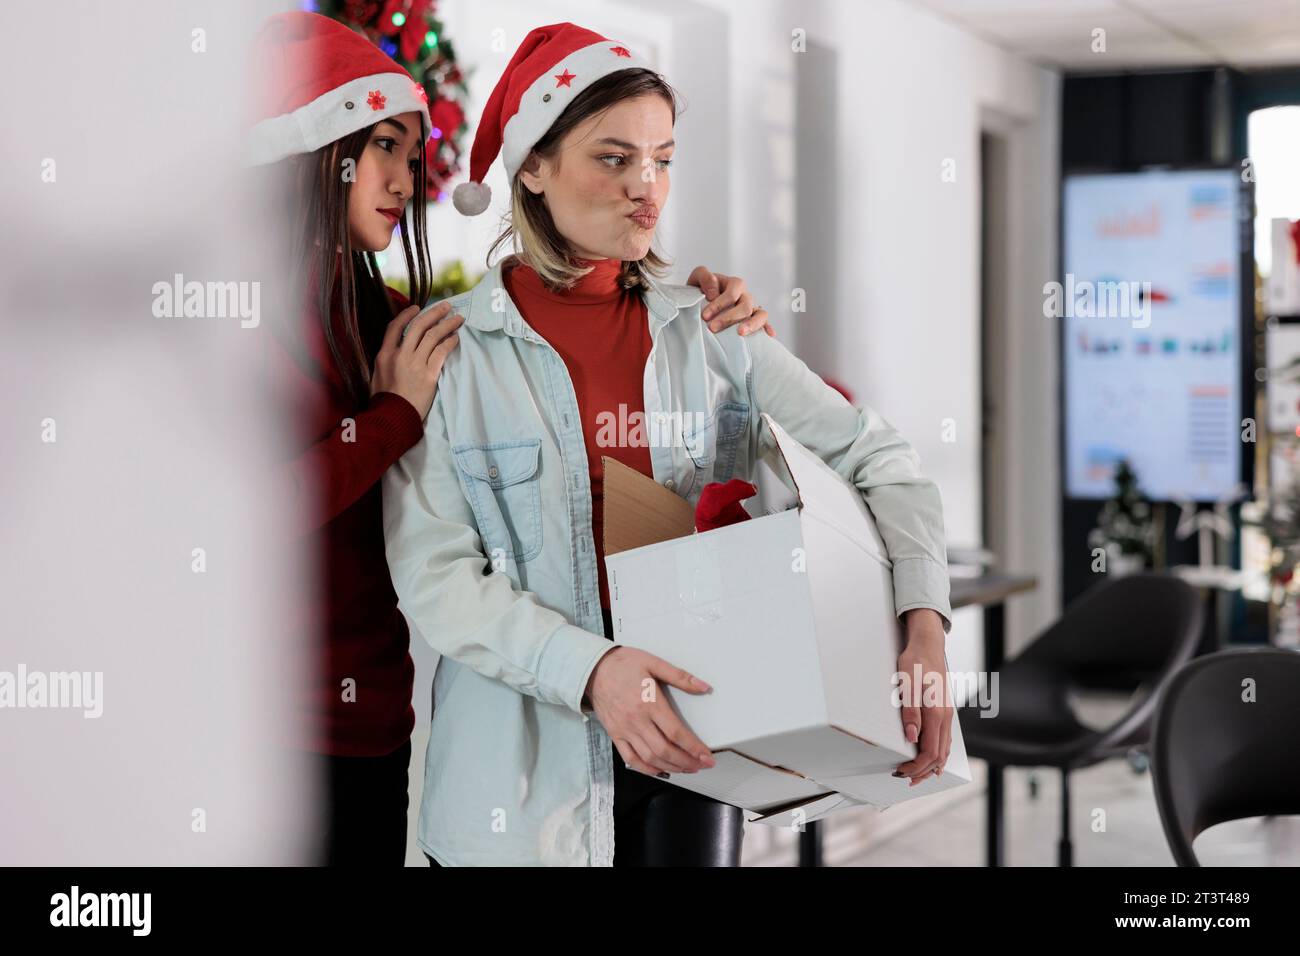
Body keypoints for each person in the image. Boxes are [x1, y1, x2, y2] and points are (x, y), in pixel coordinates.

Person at [384, 23, 954, 867]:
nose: (647, 188)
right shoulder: (452, 354)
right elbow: (434, 574)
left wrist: (926, 625)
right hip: (514, 792)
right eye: (613, 159)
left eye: (663, 158)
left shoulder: (717, 331)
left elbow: (881, 460)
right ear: (532, 168)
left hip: (698, 758)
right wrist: (593, 670)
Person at [245, 12, 772, 865]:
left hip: (377, 718)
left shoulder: (393, 322)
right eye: (383, 148)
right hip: (261, 726)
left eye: (413, 157)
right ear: (315, 151)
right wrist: (393, 419)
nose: (405, 182)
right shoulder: (240, 326)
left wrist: (724, 323)